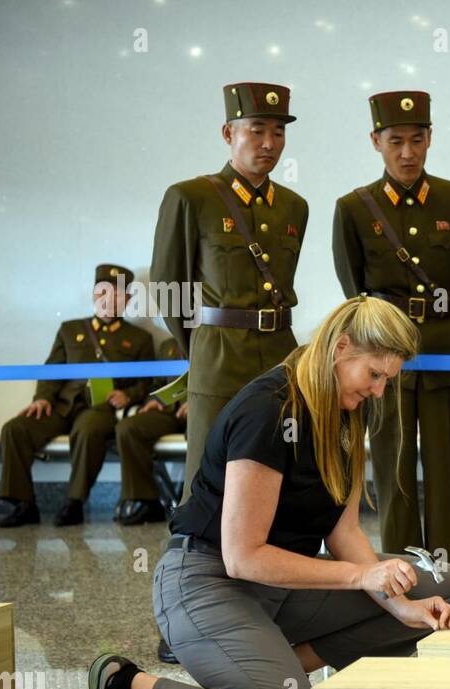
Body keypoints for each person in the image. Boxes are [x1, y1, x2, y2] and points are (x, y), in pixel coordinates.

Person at [82, 296, 450, 689]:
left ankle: (275, 673)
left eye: (389, 379)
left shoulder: (348, 409)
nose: (380, 391)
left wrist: (400, 604)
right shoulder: (269, 411)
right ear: (340, 347)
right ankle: (125, 687)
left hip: (282, 586)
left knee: (446, 584)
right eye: (374, 374)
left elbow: (344, 533)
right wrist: (360, 578)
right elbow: (243, 557)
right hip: (206, 582)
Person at [333, 90, 450, 570]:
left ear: (430, 139)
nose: (408, 152)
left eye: (418, 140)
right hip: (381, 363)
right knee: (392, 477)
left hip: (445, 348)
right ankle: (399, 578)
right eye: (396, 141)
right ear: (376, 141)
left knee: (446, 476)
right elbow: (355, 290)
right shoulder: (354, 207)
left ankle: (448, 580)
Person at [150, 81, 307, 504]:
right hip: (217, 355)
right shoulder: (191, 197)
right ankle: (197, 568)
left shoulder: (294, 207)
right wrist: (201, 347)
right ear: (228, 133)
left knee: (280, 469)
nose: (269, 143)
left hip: (280, 354)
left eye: (278, 131)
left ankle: (274, 567)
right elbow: (169, 288)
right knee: (208, 477)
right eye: (256, 130)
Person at [0, 264, 154, 528]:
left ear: (127, 301)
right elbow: (52, 369)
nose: (109, 299)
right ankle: (23, 503)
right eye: (103, 292)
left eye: (117, 294)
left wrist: (128, 395)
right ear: (94, 295)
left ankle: (74, 502)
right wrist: (43, 398)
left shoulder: (139, 338)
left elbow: (148, 381)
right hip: (61, 406)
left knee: (88, 430)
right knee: (15, 429)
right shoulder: (69, 329)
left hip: (100, 409)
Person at [115, 336, 187, 527]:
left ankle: (197, 502)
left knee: (203, 430)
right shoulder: (168, 345)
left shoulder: (215, 337)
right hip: (169, 410)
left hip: (203, 408)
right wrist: (154, 401)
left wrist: (198, 402)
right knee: (128, 429)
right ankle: (145, 500)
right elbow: (157, 384)